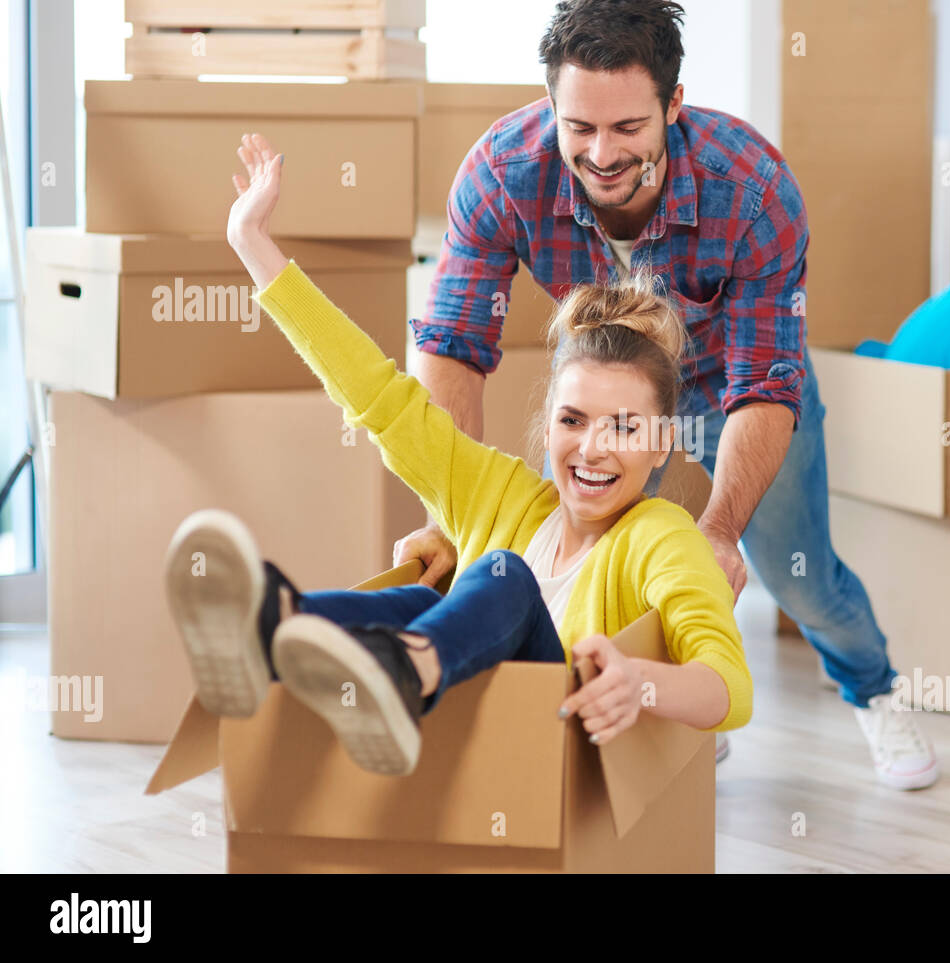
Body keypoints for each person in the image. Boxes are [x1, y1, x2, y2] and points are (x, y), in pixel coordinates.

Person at [399, 0, 937, 788]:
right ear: (551, 104)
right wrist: (446, 521)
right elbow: (451, 347)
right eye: (579, 127)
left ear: (673, 106)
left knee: (800, 576)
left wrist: (718, 528)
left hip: (736, 391)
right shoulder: (501, 173)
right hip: (615, 399)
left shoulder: (752, 188)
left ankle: (877, 688)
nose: (601, 153)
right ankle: (677, 714)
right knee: (601, 566)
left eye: (627, 128)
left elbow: (765, 382)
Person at [160, 131, 751, 778]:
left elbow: (729, 683)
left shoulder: (661, 537)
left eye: (624, 428)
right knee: (423, 602)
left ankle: (402, 672)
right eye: (573, 420)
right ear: (548, 421)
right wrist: (251, 242)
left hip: (554, 759)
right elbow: (374, 393)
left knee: (504, 577)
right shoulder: (495, 494)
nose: (591, 449)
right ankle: (270, 627)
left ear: (664, 440)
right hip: (461, 749)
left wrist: (640, 681)